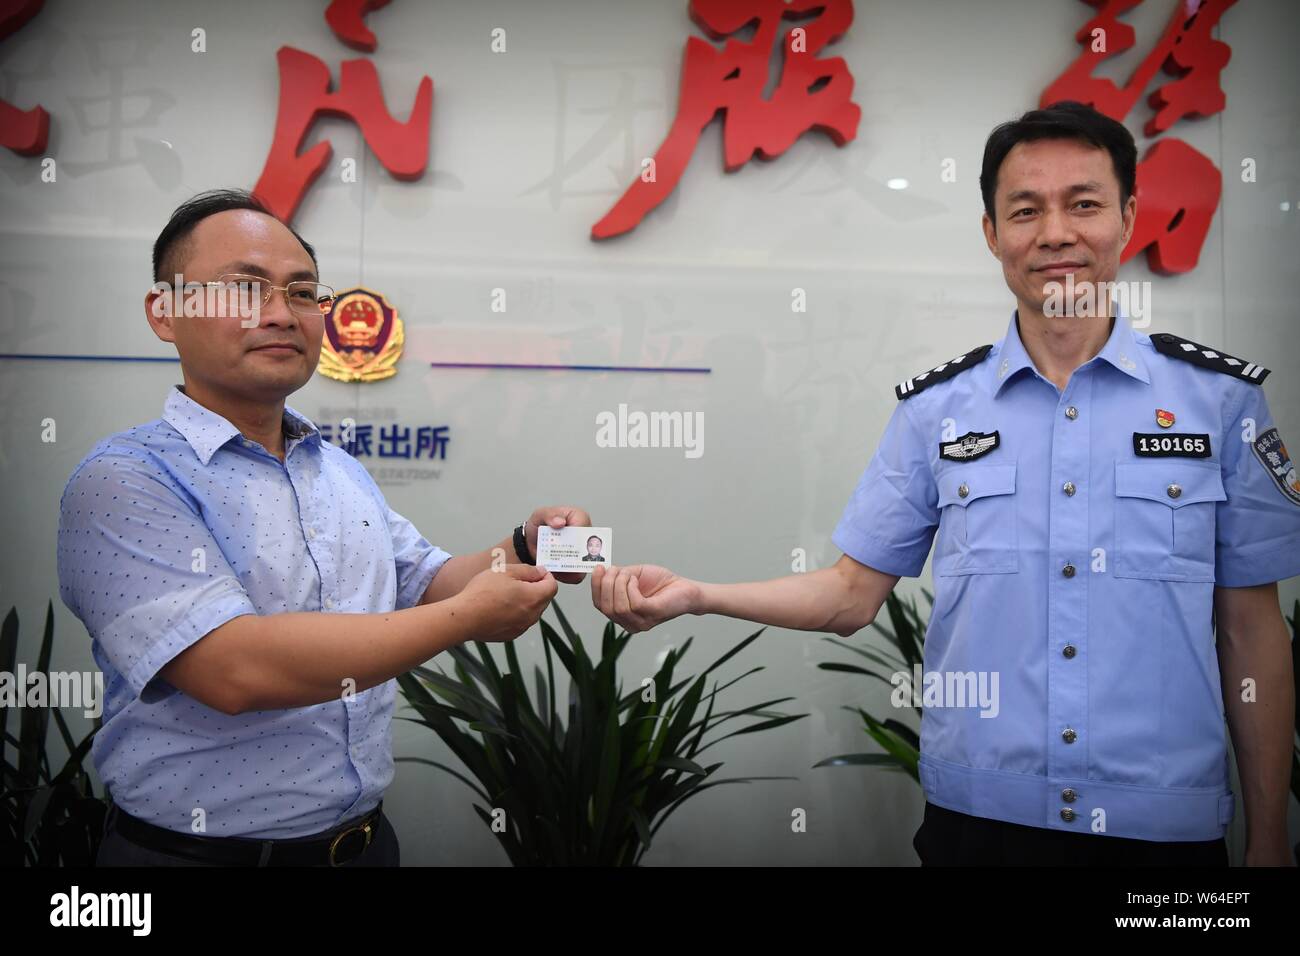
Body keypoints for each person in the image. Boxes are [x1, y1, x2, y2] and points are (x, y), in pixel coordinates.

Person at [590, 102, 1300, 866]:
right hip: (979, 827)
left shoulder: (1220, 402)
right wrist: (699, 594)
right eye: (1025, 210)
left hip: (1161, 832)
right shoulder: (936, 412)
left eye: (1084, 204)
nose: (1055, 233)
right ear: (992, 235)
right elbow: (847, 595)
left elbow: (1251, 631)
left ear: (1128, 217)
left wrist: (1268, 840)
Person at [58, 189, 590, 866]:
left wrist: (524, 548)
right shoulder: (124, 480)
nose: (281, 313)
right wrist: (465, 617)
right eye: (245, 289)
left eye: (303, 292)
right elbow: (235, 670)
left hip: (365, 845)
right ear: (166, 313)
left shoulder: (336, 468)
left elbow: (426, 583)